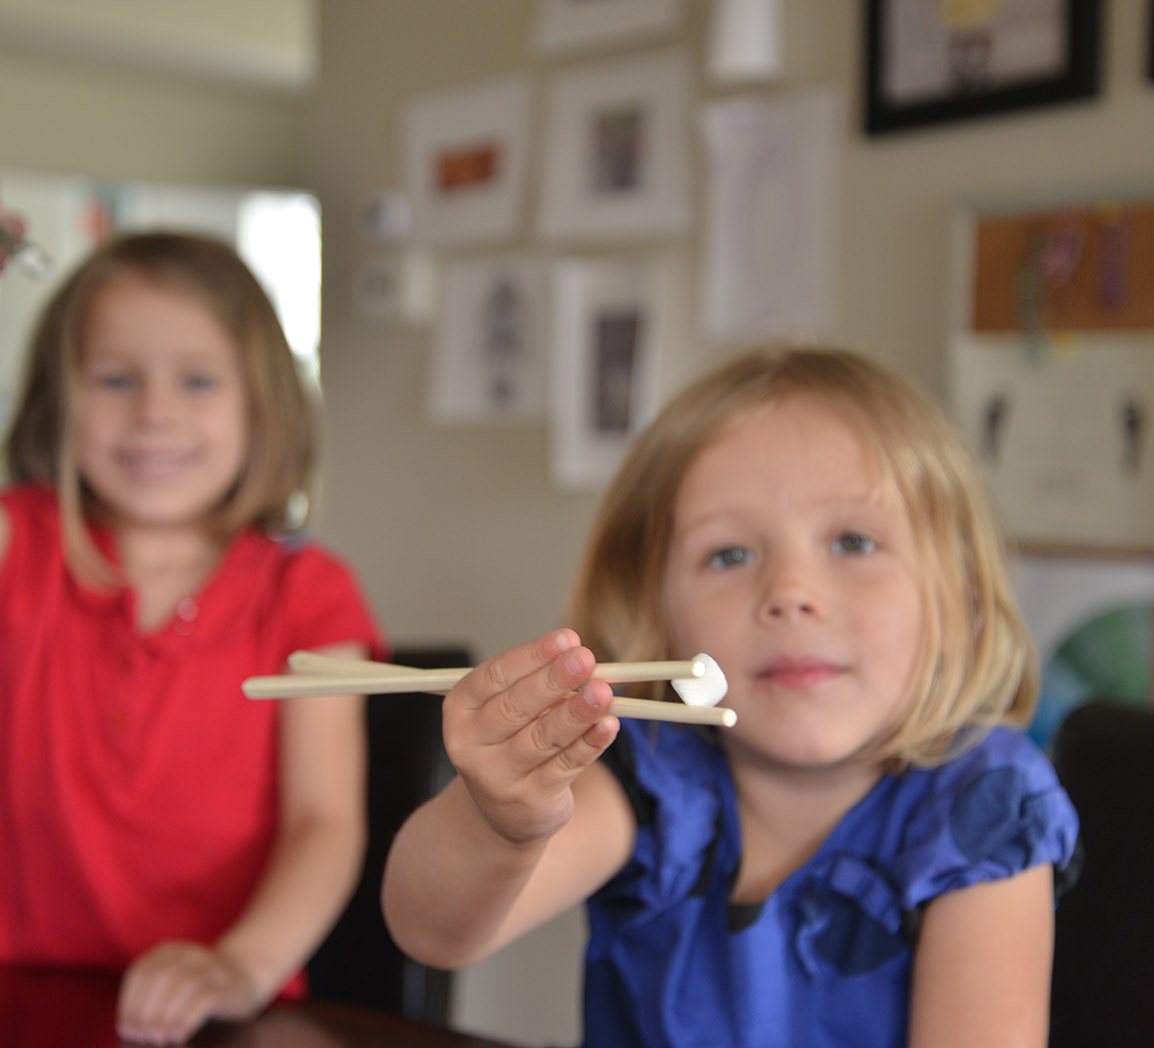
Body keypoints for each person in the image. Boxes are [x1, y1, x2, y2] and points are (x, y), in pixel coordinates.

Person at [383, 345, 1080, 1047]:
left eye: (853, 541)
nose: (790, 594)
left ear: (956, 591)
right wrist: (497, 819)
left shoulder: (984, 808)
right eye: (730, 555)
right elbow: (429, 929)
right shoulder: (653, 772)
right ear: (656, 611)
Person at [0, 163, 382, 1045]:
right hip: (1, 1006)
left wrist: (241, 965)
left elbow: (324, 823)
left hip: (212, 1014)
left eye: (198, 382)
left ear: (264, 408)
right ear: (61, 404)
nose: (154, 414)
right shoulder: (24, 548)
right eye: (117, 380)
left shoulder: (310, 595)